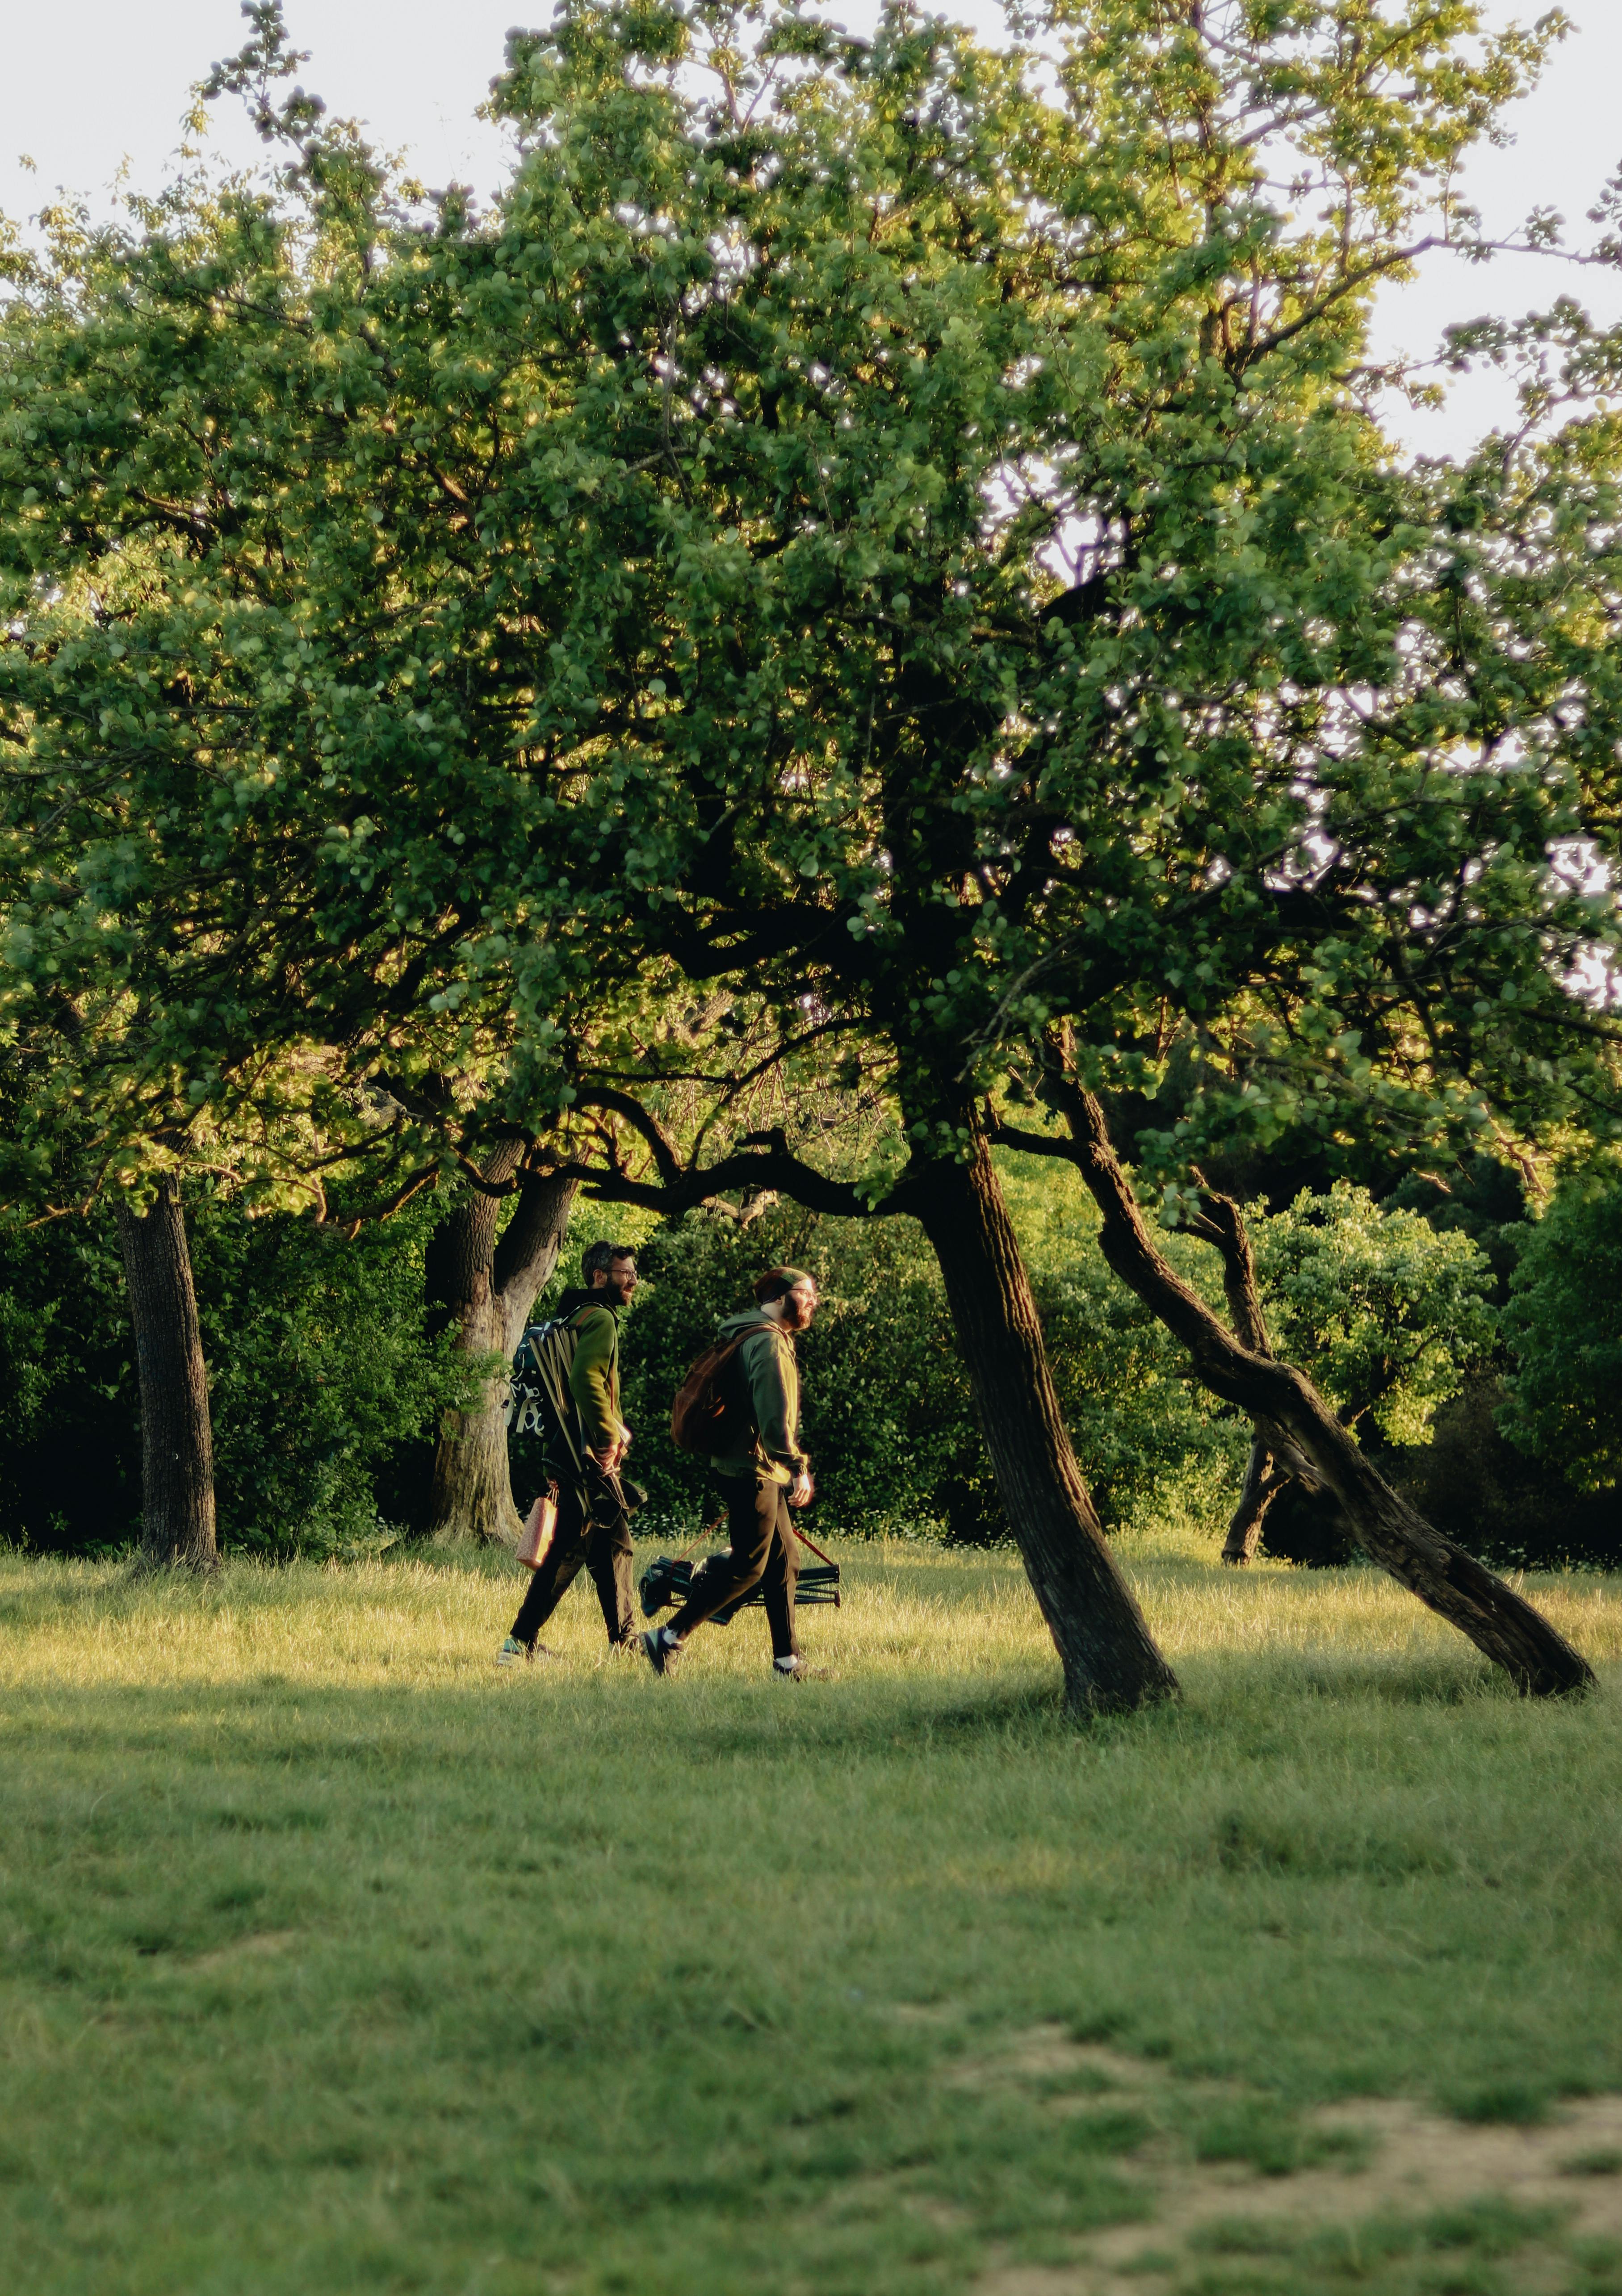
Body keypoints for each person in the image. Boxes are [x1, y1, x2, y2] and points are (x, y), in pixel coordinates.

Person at [641, 1265, 825, 1680]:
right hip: (753, 1468)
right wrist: (797, 1466)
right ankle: (667, 1637)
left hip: (755, 1466)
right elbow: (773, 1416)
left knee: (784, 1562)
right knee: (749, 1566)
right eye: (805, 1293)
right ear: (778, 1298)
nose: (812, 1301)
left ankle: (787, 1662)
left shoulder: (751, 1334)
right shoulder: (767, 1342)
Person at [498, 1240, 639, 1663]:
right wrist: (608, 1440)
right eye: (625, 1274)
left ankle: (618, 1640)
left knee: (598, 1546)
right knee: (588, 1548)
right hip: (587, 1455)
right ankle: (521, 1642)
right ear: (599, 1277)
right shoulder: (601, 1319)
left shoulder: (570, 1317)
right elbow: (584, 1381)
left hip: (564, 1450)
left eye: (634, 1274)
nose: (633, 1281)